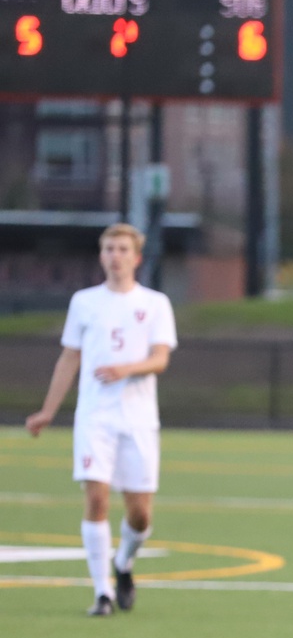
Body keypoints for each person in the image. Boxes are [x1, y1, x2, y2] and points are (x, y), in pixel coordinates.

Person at [24, 223, 178, 617]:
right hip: (95, 418)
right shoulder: (84, 302)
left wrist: (126, 369)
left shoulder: (156, 303)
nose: (115, 256)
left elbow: (161, 358)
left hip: (140, 420)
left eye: (123, 249)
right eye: (109, 248)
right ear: (101, 256)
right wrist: (48, 411)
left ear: (136, 257)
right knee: (96, 499)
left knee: (140, 514)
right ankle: (102, 593)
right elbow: (69, 358)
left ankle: (124, 562)